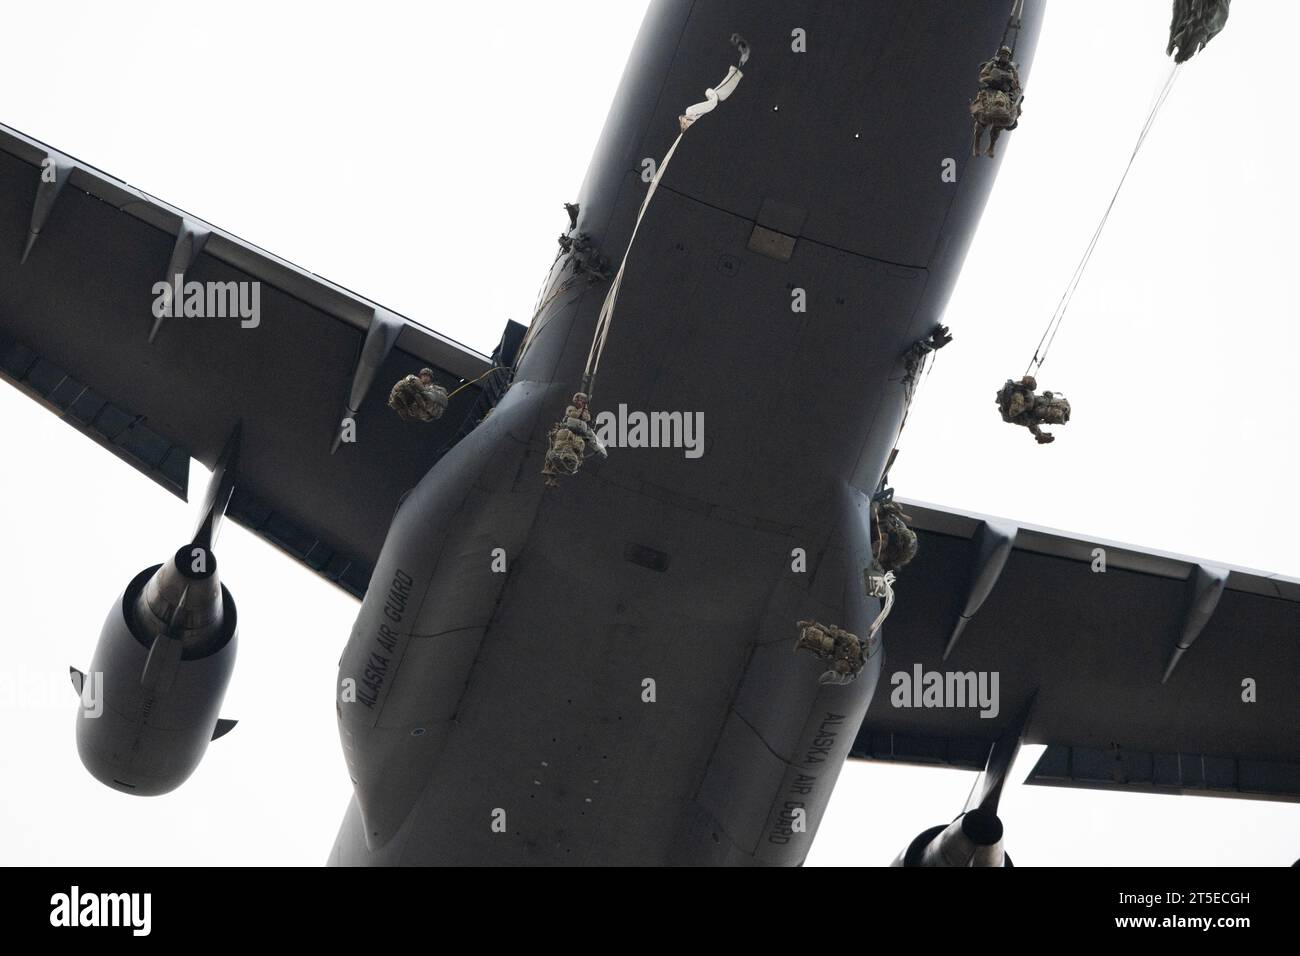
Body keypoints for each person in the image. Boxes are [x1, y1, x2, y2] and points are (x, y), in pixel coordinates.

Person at [542, 392, 607, 487]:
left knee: (571, 455)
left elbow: (591, 437)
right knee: (556, 451)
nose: (579, 402)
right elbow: (573, 415)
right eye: (578, 400)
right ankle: (551, 470)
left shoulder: (585, 425)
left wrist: (599, 449)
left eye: (582, 400)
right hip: (565, 438)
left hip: (574, 442)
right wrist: (583, 409)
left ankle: (558, 468)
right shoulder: (571, 411)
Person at [970, 45, 1024, 158]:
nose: (1004, 56)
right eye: (1003, 54)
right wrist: (992, 78)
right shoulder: (992, 64)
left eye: (1006, 54)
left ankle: (991, 147)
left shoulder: (1011, 69)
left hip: (1004, 92)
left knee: (1000, 123)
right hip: (991, 90)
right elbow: (982, 77)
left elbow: (1017, 85)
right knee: (981, 118)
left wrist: (1011, 82)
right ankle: (976, 145)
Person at [995, 375, 1070, 444]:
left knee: (1039, 407)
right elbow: (1013, 413)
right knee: (1032, 421)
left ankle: (1040, 436)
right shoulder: (1018, 397)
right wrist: (1026, 406)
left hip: (1025, 403)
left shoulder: (1019, 384)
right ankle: (1040, 437)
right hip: (1015, 415)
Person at [795, 620, 871, 685]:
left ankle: (805, 640)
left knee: (826, 644)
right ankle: (807, 630)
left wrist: (833, 676)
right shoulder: (853, 644)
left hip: (835, 648)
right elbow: (851, 639)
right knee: (827, 641)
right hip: (839, 643)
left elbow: (840, 678)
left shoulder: (849, 669)